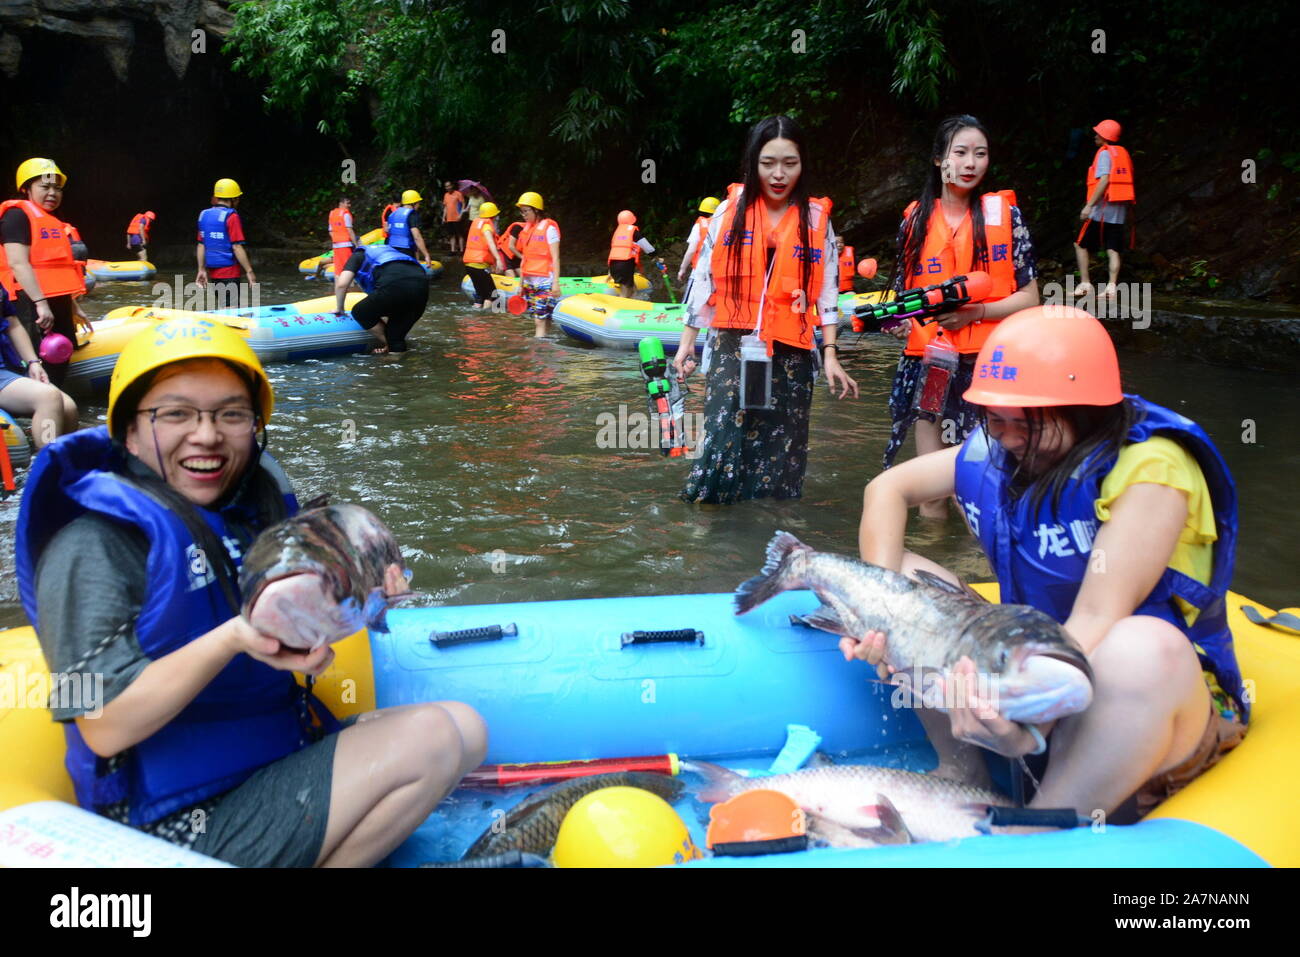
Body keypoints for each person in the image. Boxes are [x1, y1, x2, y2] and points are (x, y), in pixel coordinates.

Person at [14, 319, 486, 867]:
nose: (208, 434)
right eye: (176, 413)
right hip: (167, 823)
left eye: (231, 414)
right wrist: (235, 637)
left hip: (268, 758)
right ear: (128, 432)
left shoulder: (242, 517)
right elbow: (99, 727)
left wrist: (360, 593)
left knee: (465, 726)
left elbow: (291, 643)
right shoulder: (90, 544)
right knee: (431, 737)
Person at [854, 305, 1247, 823]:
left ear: (1083, 413)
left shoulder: (1152, 471)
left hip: (1137, 692)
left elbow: (1097, 619)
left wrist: (1016, 720)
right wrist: (881, 612)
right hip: (1028, 674)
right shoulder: (999, 447)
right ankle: (961, 769)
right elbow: (886, 489)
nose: (1010, 438)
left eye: (1029, 424)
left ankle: (1039, 831)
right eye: (995, 419)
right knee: (907, 588)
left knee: (1143, 646)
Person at [671, 115, 858, 505]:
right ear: (753, 163)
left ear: (803, 164)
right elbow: (703, 279)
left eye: (789, 163)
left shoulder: (816, 220)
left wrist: (830, 354)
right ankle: (709, 529)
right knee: (724, 437)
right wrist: (687, 343)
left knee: (782, 446)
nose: (778, 174)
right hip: (731, 343)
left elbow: (826, 291)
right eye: (768, 163)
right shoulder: (728, 212)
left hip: (792, 349)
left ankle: (773, 529)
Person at [880, 114, 1040, 518]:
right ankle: (936, 561)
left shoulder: (1006, 218)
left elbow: (1030, 297)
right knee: (930, 491)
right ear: (939, 160)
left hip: (990, 366)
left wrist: (976, 312)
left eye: (980, 154)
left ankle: (979, 570)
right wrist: (901, 321)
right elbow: (906, 295)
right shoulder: (914, 221)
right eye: (961, 153)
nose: (971, 163)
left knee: (985, 488)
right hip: (930, 364)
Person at [0, 159, 84, 388]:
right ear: (26, 189)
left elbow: (55, 271)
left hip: (53, 302)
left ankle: (57, 403)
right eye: (45, 187)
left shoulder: (53, 222)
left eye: (57, 188)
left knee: (60, 357)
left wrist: (73, 306)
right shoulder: (17, 216)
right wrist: (41, 303)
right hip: (28, 301)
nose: (52, 193)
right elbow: (18, 263)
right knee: (39, 359)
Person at [0, 284, 78, 449]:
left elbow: (12, 323)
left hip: (8, 367)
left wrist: (33, 362)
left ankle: (62, 458)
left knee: (69, 407)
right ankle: (47, 461)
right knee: (48, 397)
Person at [1074, 119, 1135, 301]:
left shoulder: (1104, 154)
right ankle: (1111, 287)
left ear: (1105, 136)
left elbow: (1104, 180)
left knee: (1080, 245)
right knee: (1113, 249)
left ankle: (1085, 283)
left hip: (1101, 211)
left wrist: (1089, 205)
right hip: (1119, 211)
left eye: (1098, 133)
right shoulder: (1122, 153)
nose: (1095, 136)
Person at [334, 243, 430, 354]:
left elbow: (342, 284)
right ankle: (394, 349)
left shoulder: (358, 255)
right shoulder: (394, 252)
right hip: (421, 289)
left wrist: (340, 308)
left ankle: (390, 347)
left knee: (360, 312)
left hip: (393, 287)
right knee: (396, 337)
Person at [196, 178, 257, 310]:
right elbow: (236, 246)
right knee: (232, 307)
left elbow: (201, 245)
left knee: (226, 305)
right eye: (238, 199)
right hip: (229, 271)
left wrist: (201, 269)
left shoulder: (203, 215)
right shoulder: (231, 216)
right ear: (234, 199)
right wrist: (249, 271)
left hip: (213, 272)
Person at [514, 191, 563, 338]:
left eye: (526, 211)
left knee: (538, 320)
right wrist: (520, 283)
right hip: (529, 281)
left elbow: (556, 258)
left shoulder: (549, 229)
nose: (523, 215)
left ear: (536, 210)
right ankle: (546, 345)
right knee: (543, 318)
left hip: (545, 281)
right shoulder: (527, 230)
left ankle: (537, 350)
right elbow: (525, 259)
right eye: (521, 212)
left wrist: (555, 283)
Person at [463, 201, 507, 309]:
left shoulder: (476, 223)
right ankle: (486, 319)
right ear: (493, 216)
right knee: (492, 295)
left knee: (480, 295)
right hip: (479, 266)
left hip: (469, 265)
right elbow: (491, 244)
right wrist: (498, 259)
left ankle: (477, 314)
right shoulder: (486, 227)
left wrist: (492, 264)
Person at [607, 210, 655, 299]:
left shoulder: (617, 232)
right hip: (625, 264)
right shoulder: (633, 232)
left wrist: (610, 272)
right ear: (632, 220)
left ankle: (635, 300)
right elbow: (647, 247)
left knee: (631, 288)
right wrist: (654, 256)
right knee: (625, 292)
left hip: (613, 265)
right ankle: (622, 308)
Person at [676, 196, 720, 291]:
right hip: (718, 270)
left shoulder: (700, 225)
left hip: (701, 269)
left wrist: (682, 269)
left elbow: (691, 250)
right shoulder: (725, 225)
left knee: (693, 301)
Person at [384, 190, 432, 267]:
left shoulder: (392, 214)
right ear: (413, 203)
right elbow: (417, 237)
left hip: (391, 250)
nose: (419, 205)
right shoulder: (411, 214)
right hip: (406, 250)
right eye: (418, 203)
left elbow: (387, 230)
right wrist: (426, 255)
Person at [327, 197, 358, 279]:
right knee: (348, 269)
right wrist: (356, 244)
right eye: (347, 203)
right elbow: (349, 230)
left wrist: (336, 239)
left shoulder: (332, 213)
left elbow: (330, 231)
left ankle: (338, 289)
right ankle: (350, 289)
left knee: (338, 271)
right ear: (341, 203)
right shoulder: (345, 214)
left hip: (336, 245)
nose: (349, 205)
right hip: (345, 245)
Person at [442, 181, 465, 254]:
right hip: (449, 218)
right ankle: (453, 250)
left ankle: (461, 250)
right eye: (446, 186)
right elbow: (445, 207)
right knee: (451, 235)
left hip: (457, 217)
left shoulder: (458, 194)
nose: (448, 187)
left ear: (452, 185)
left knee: (460, 234)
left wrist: (461, 214)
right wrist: (443, 217)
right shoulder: (446, 195)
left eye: (449, 186)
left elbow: (463, 204)